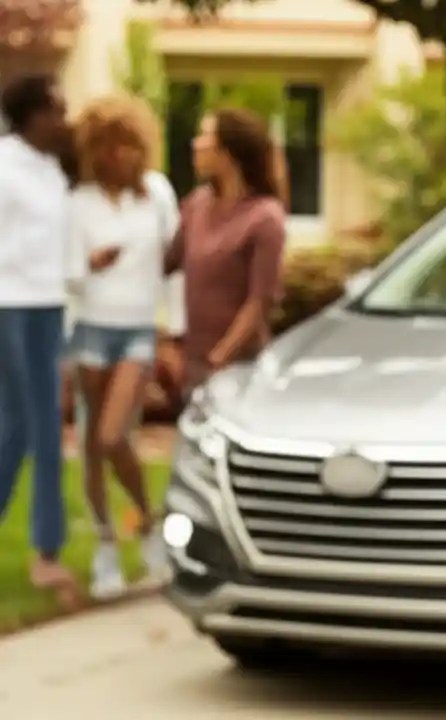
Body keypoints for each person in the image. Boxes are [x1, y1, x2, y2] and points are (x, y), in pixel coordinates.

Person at [64, 95, 180, 599]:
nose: (122, 155)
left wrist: (173, 331)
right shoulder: (77, 200)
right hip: (89, 328)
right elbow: (58, 271)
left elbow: (175, 265)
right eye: (111, 146)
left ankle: (151, 529)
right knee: (92, 445)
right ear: (94, 150)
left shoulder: (157, 194)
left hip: (137, 329)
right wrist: (88, 263)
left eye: (130, 144)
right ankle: (106, 548)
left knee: (114, 437)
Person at [0, 74, 76, 593]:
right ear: (30, 114)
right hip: (8, 306)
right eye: (55, 111)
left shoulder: (52, 170)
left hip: (49, 306)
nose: (62, 121)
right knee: (29, 426)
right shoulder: (3, 164)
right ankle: (45, 550)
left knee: (34, 428)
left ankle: (46, 549)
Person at [165, 108, 287, 394]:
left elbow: (261, 301)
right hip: (193, 363)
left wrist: (219, 357)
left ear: (228, 153)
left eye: (205, 135)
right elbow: (164, 264)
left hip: (238, 368)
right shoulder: (196, 205)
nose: (195, 143)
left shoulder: (265, 217)